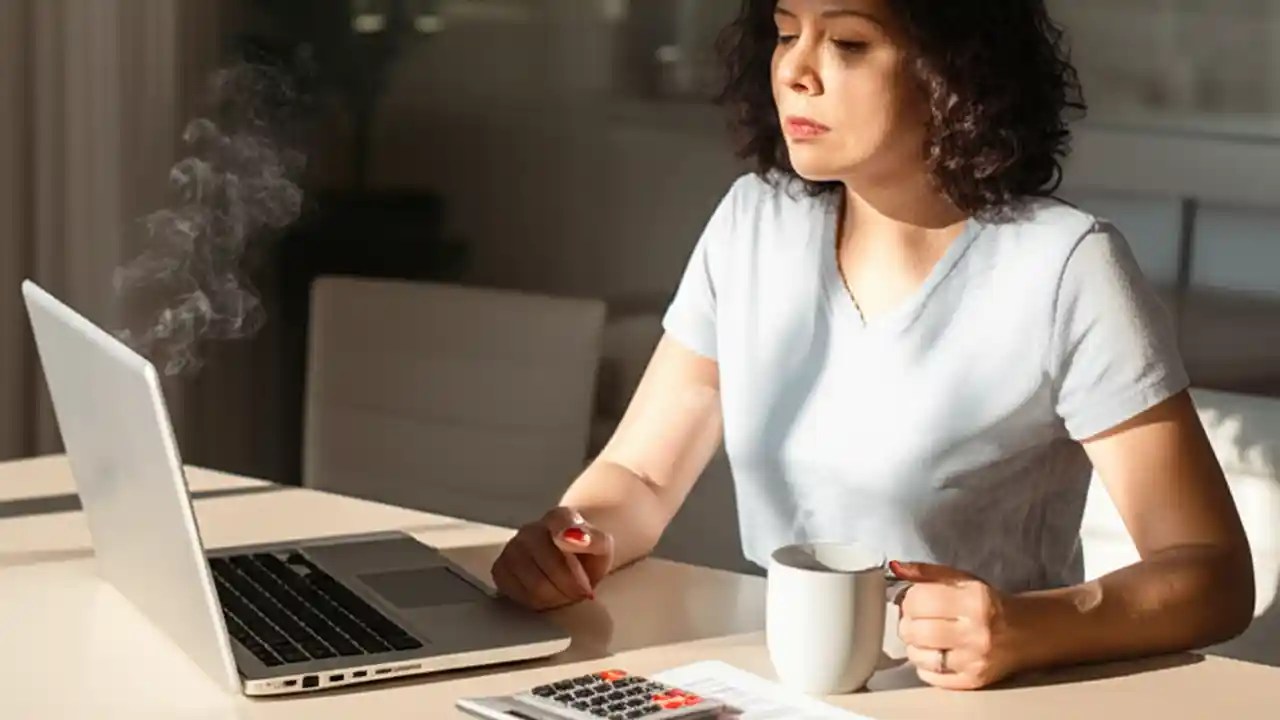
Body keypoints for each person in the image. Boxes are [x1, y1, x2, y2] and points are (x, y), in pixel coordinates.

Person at [491, 0, 1255, 690]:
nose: (795, 68)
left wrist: (1030, 628)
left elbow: (1213, 574)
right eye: (787, 33)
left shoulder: (1064, 267)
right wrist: (575, 537)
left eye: (849, 42)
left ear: (953, 69)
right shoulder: (753, 224)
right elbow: (641, 474)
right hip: (774, 686)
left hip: (980, 700)